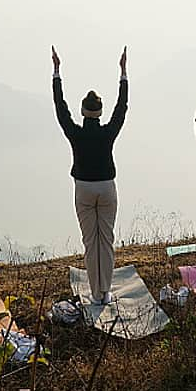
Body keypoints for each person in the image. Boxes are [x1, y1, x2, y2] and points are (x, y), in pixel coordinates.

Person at [53, 45, 128, 305]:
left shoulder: (76, 132)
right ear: (99, 111)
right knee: (106, 239)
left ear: (84, 111)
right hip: (107, 186)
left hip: (84, 188)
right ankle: (105, 292)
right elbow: (122, 109)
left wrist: (56, 73)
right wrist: (123, 74)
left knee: (90, 241)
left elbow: (60, 109)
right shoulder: (108, 132)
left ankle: (96, 294)